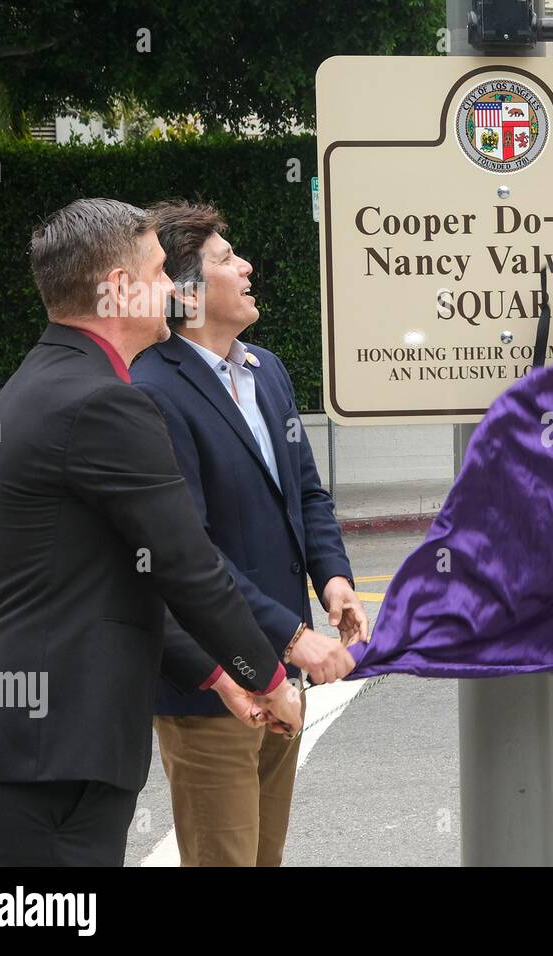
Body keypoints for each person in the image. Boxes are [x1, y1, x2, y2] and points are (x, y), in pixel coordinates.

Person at [0, 198, 303, 867]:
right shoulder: (105, 402)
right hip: (57, 762)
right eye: (161, 272)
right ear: (117, 288)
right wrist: (268, 676)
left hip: (31, 755)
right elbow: (185, 565)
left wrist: (216, 677)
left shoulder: (44, 380)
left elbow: (112, 577)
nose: (174, 290)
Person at [131, 201, 365, 867]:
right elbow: (190, 552)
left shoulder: (267, 371)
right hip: (212, 690)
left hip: (282, 671)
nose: (247, 266)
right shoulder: (153, 391)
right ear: (187, 291)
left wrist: (335, 578)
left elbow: (308, 494)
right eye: (226, 258)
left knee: (263, 857)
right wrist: (294, 637)